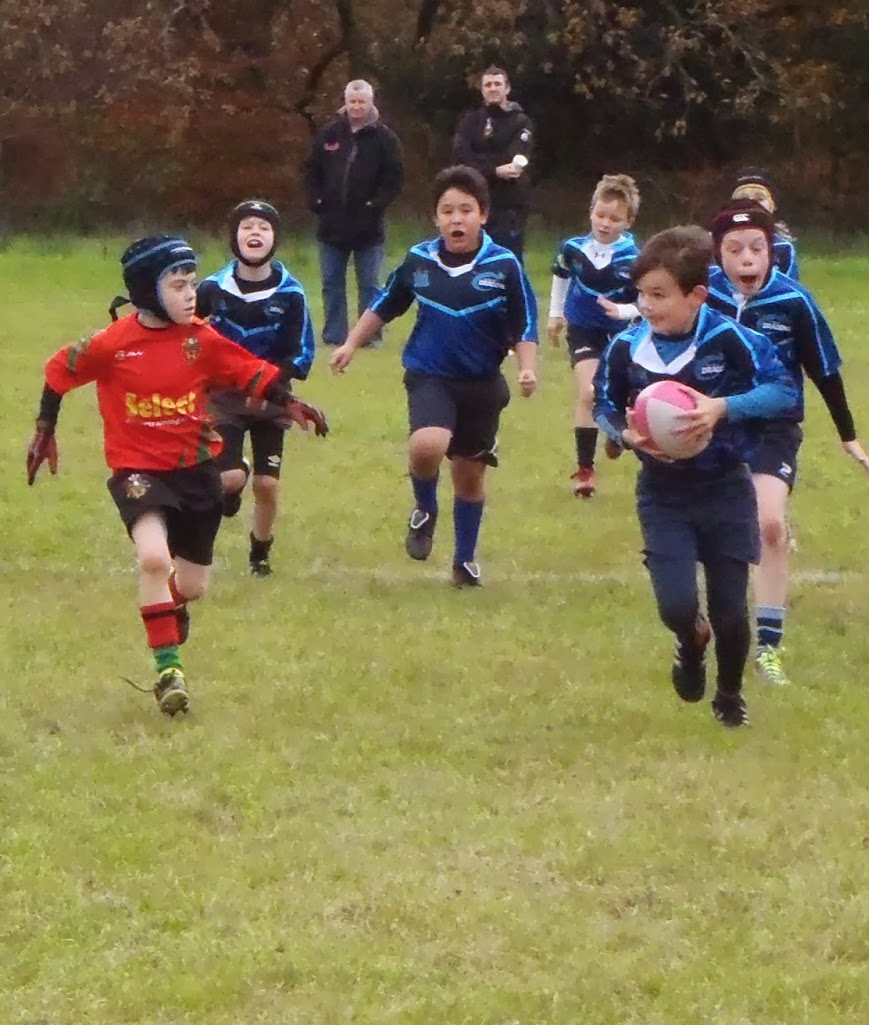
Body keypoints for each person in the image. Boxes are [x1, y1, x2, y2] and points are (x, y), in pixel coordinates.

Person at [24, 236, 328, 716]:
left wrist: (290, 401)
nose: (192, 294)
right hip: (138, 472)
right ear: (148, 290)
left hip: (196, 474)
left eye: (192, 284)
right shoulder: (113, 345)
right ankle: (169, 671)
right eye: (179, 285)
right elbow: (59, 370)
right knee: (151, 559)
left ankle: (170, 608)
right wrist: (45, 427)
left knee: (190, 586)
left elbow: (249, 370)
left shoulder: (200, 341)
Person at [592, 226, 796, 728]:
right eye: (640, 294)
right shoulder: (626, 348)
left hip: (725, 488)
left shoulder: (731, 340)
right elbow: (603, 403)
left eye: (659, 295)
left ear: (696, 295)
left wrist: (722, 408)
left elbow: (782, 391)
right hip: (663, 494)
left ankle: (729, 694)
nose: (646, 305)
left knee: (731, 612)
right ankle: (690, 640)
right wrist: (622, 432)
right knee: (676, 604)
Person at [329, 165, 538, 588]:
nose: (456, 219)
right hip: (430, 374)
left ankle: (464, 561)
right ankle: (424, 508)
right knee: (428, 444)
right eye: (447, 211)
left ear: (483, 214)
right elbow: (384, 305)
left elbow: (524, 323)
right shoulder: (419, 261)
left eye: (466, 210)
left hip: (482, 383)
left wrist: (526, 367)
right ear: (435, 218)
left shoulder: (504, 265)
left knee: (468, 475)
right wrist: (350, 343)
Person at [704, 201, 869, 685]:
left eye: (756, 248)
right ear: (717, 256)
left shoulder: (794, 301)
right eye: (734, 249)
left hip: (774, 427)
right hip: (712, 425)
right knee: (715, 533)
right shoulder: (701, 298)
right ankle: (706, 623)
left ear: (772, 253)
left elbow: (824, 370)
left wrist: (849, 436)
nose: (746, 258)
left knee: (768, 526)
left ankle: (769, 648)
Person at [196, 199, 316, 576]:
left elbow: (302, 352)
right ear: (234, 237)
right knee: (228, 479)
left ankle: (259, 555)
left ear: (275, 239)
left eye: (263, 228)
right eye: (247, 226)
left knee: (268, 486)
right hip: (224, 400)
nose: (255, 233)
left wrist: (271, 384)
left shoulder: (291, 293)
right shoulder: (212, 289)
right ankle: (235, 478)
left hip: (271, 399)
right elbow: (190, 343)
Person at [548, 174, 641, 498]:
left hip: (622, 334)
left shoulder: (635, 258)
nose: (605, 223)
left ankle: (616, 430)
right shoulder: (573, 249)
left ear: (628, 222)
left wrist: (624, 312)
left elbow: (646, 301)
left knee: (619, 394)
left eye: (615, 218)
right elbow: (560, 277)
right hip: (584, 329)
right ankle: (585, 470)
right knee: (588, 393)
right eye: (601, 215)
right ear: (591, 212)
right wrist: (555, 315)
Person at [304, 79, 405, 348]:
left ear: (371, 103)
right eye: (352, 101)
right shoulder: (329, 134)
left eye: (361, 102)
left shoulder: (385, 139)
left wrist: (376, 205)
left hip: (369, 227)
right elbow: (312, 170)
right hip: (331, 226)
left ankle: (369, 336)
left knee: (370, 286)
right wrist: (316, 200)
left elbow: (394, 179)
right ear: (345, 102)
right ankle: (334, 335)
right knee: (331, 284)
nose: (356, 107)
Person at [451, 65, 535, 264]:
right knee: (470, 264)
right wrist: (494, 170)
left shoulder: (521, 122)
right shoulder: (470, 121)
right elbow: (460, 159)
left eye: (498, 84)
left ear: (507, 89)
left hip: (509, 207)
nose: (493, 88)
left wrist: (480, 162)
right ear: (482, 90)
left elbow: (515, 159)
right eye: (488, 84)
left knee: (507, 265)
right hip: (475, 204)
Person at [730, 168, 799, 281]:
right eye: (742, 198)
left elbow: (790, 287)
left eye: (760, 198)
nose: (752, 203)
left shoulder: (784, 248)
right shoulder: (714, 245)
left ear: (773, 205)